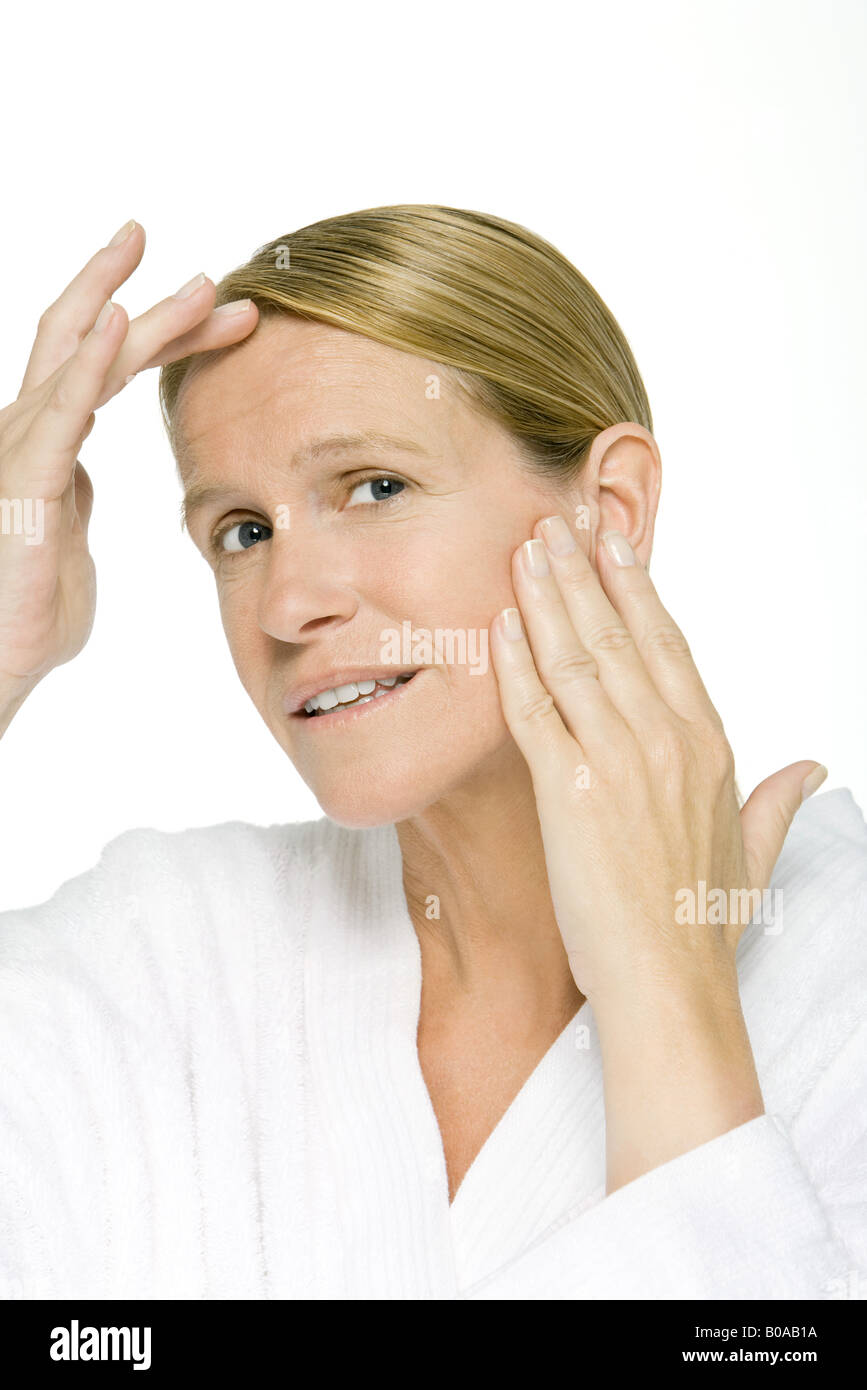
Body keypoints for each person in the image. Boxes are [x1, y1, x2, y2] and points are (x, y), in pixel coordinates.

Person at [1, 205, 865, 1300]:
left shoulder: (841, 975)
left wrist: (665, 993)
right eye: (242, 530)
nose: (289, 603)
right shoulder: (166, 955)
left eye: (374, 487)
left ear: (609, 508)